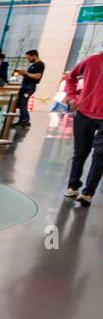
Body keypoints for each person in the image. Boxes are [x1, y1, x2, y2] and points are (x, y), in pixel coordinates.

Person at [63, 47, 103, 205]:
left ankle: (88, 193)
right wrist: (72, 97)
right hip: (84, 112)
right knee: (80, 152)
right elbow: (70, 78)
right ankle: (73, 186)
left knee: (100, 155)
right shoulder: (92, 61)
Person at [12, 49, 44, 126]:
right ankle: (22, 119)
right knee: (19, 103)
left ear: (34, 56)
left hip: (30, 87)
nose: (28, 59)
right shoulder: (33, 65)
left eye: (28, 57)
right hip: (25, 85)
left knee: (23, 102)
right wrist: (21, 73)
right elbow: (29, 75)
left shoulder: (40, 64)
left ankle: (25, 120)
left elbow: (37, 76)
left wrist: (26, 73)